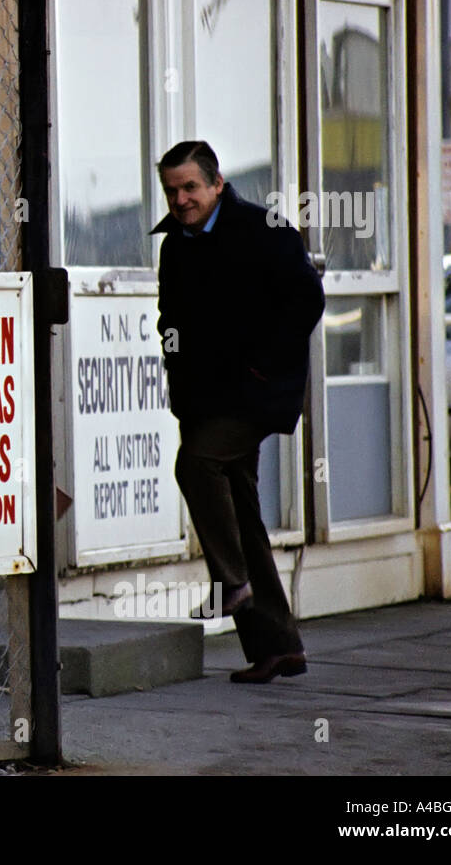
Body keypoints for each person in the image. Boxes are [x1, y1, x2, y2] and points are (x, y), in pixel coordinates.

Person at [151, 140, 325, 683]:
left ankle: (231, 582)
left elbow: (306, 300)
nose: (181, 200)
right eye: (172, 190)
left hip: (252, 395)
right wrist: (174, 351)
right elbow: (169, 315)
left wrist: (262, 366)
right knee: (242, 515)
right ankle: (278, 647)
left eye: (191, 188)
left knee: (195, 465)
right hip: (204, 398)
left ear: (217, 184)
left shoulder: (262, 229)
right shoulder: (176, 245)